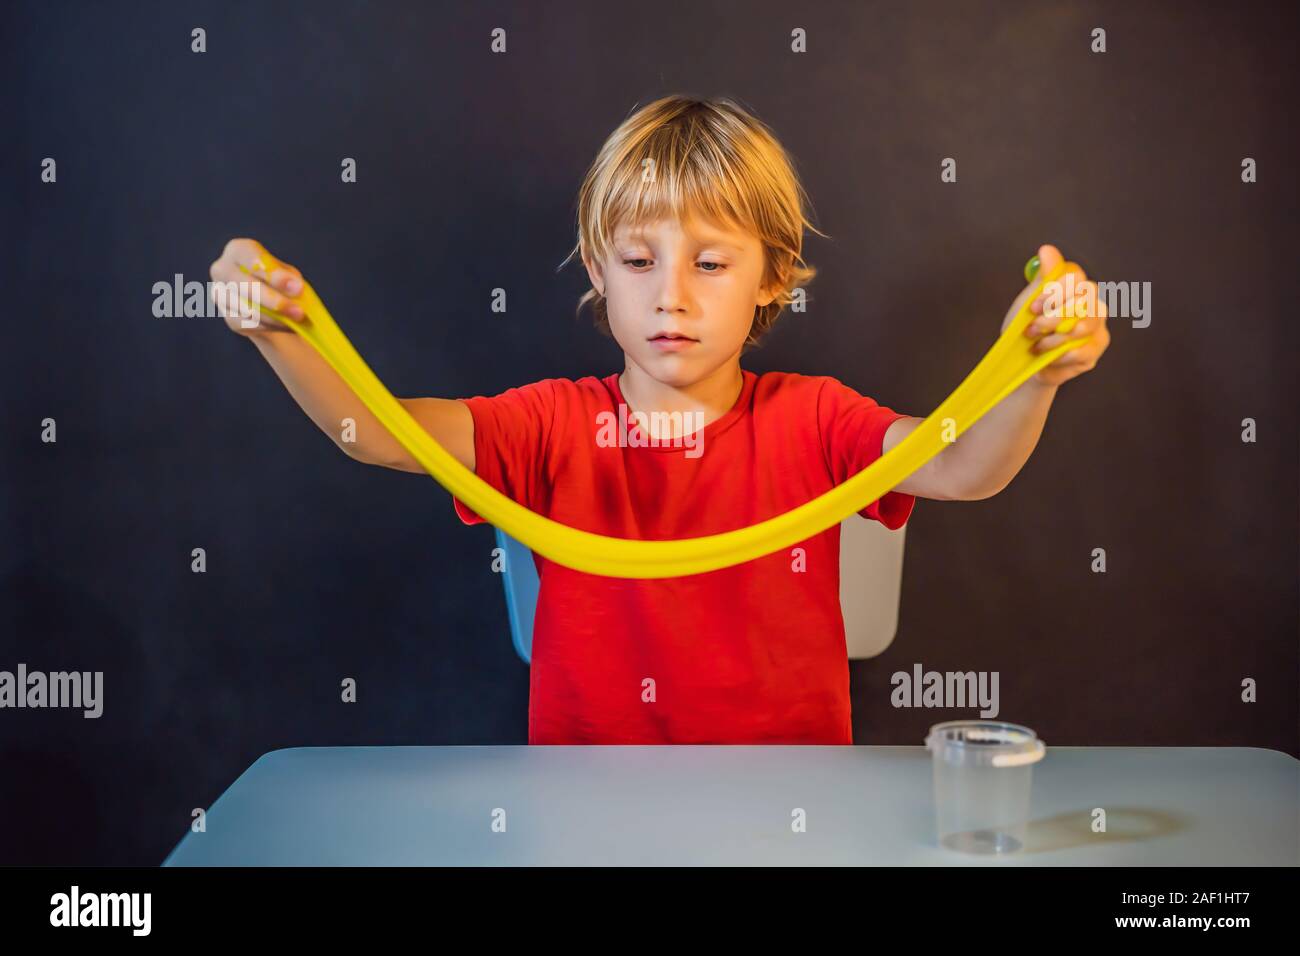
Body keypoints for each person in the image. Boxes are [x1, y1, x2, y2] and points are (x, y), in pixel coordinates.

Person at [209, 94, 1110, 745]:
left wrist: (1037, 375)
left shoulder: (813, 418)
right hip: (587, 815)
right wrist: (278, 332)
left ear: (772, 278)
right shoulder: (551, 424)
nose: (670, 296)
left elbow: (962, 467)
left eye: (711, 263)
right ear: (599, 273)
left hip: (789, 813)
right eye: (639, 259)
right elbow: (375, 433)